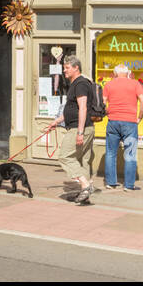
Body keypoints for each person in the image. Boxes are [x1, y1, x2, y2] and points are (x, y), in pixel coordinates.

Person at [47, 55, 98, 205]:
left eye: (67, 68)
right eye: (64, 68)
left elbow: (82, 108)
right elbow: (73, 108)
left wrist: (80, 132)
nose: (64, 71)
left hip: (79, 127)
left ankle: (86, 186)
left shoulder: (80, 84)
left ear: (76, 67)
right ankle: (85, 194)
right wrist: (56, 122)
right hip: (84, 127)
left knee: (65, 157)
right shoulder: (78, 83)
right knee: (83, 160)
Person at [103, 62, 143, 192]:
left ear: (115, 74)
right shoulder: (135, 84)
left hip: (113, 122)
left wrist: (108, 113)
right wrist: (139, 117)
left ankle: (110, 182)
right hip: (130, 122)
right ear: (128, 73)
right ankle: (129, 185)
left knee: (110, 153)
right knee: (130, 154)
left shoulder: (108, 85)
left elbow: (103, 103)